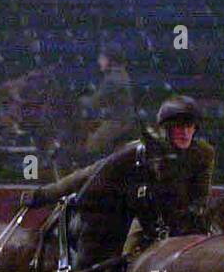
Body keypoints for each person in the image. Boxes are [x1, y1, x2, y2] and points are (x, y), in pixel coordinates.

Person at [22, 95, 214, 257]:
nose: (186, 132)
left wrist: (192, 218)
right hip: (150, 219)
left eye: (190, 126)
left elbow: (201, 196)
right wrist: (44, 195)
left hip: (185, 219)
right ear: (167, 129)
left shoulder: (204, 153)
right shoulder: (143, 151)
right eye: (179, 127)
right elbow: (91, 172)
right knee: (129, 255)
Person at [79, 42, 135, 160]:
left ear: (111, 60)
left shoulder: (113, 78)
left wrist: (79, 100)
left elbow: (95, 102)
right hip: (121, 118)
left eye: (102, 58)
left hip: (118, 121)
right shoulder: (119, 74)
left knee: (92, 145)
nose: (100, 61)